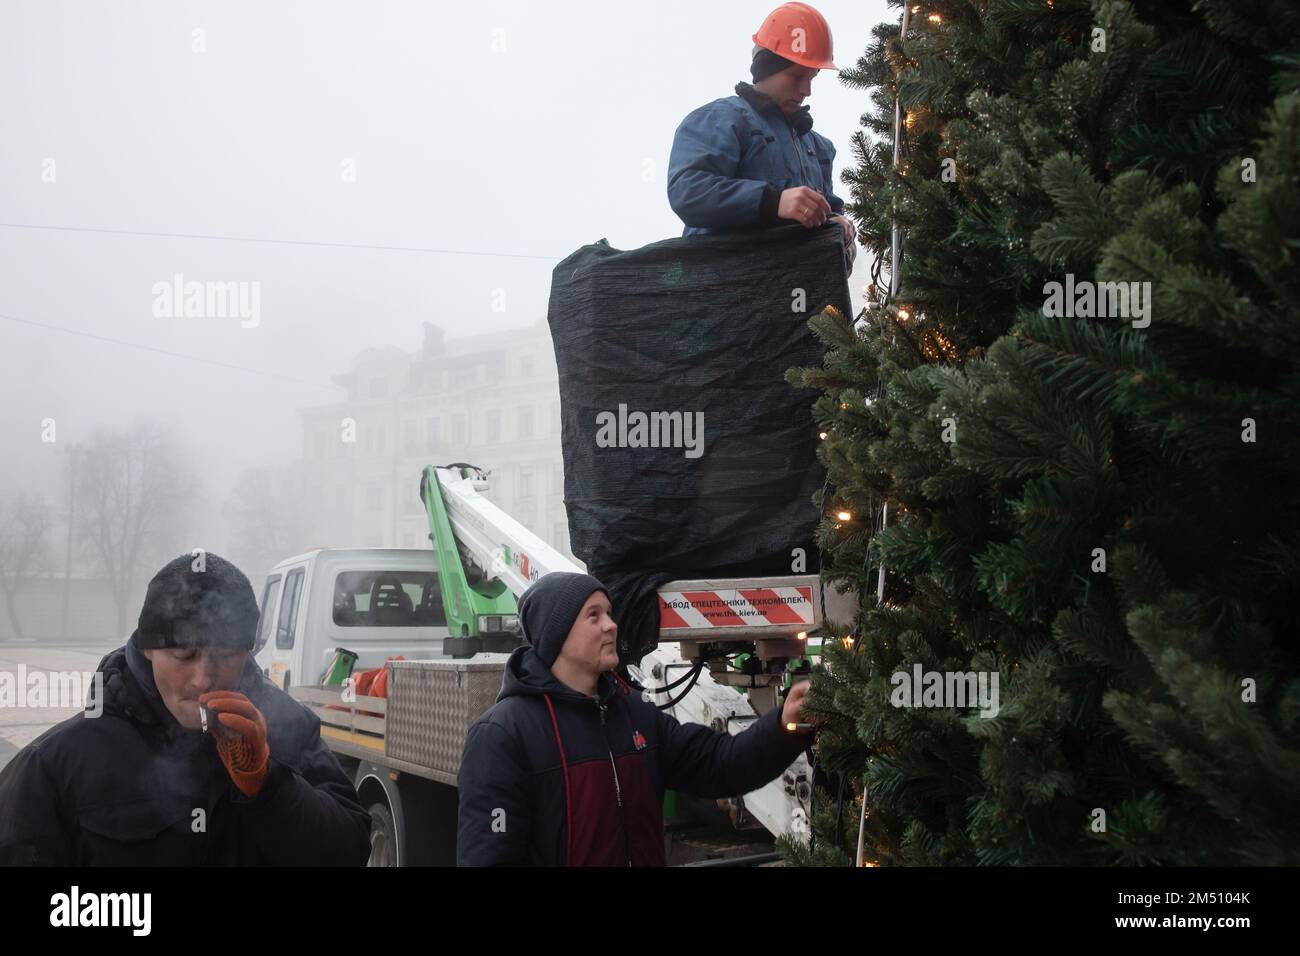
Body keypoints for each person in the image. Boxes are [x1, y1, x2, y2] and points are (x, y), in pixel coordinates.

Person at [0, 552, 372, 865]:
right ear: (147, 648)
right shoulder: (58, 761)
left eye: (225, 656)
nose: (203, 679)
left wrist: (267, 786)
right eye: (183, 655)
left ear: (247, 652)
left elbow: (350, 851)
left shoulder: (288, 727)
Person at [456, 571, 815, 866]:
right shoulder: (503, 735)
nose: (611, 626)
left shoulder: (636, 716)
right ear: (557, 633)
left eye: (609, 614)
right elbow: (490, 858)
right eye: (593, 616)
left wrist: (784, 725)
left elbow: (721, 765)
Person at [667, 2, 856, 268]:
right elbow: (688, 191)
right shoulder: (722, 119)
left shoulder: (818, 147)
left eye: (812, 78)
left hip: (794, 298)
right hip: (722, 292)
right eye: (796, 76)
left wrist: (837, 224)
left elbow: (829, 209)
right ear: (767, 68)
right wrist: (772, 201)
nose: (806, 90)